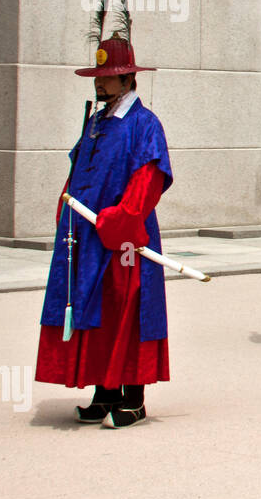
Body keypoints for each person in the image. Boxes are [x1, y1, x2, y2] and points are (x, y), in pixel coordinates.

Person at [36, 33, 172, 429]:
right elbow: (79, 172)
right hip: (88, 236)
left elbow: (148, 179)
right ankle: (103, 391)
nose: (101, 83)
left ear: (129, 79)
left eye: (109, 76)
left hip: (124, 238)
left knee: (126, 309)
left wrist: (121, 220)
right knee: (92, 309)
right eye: (98, 76)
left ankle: (133, 397)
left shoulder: (144, 125)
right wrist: (66, 208)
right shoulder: (97, 122)